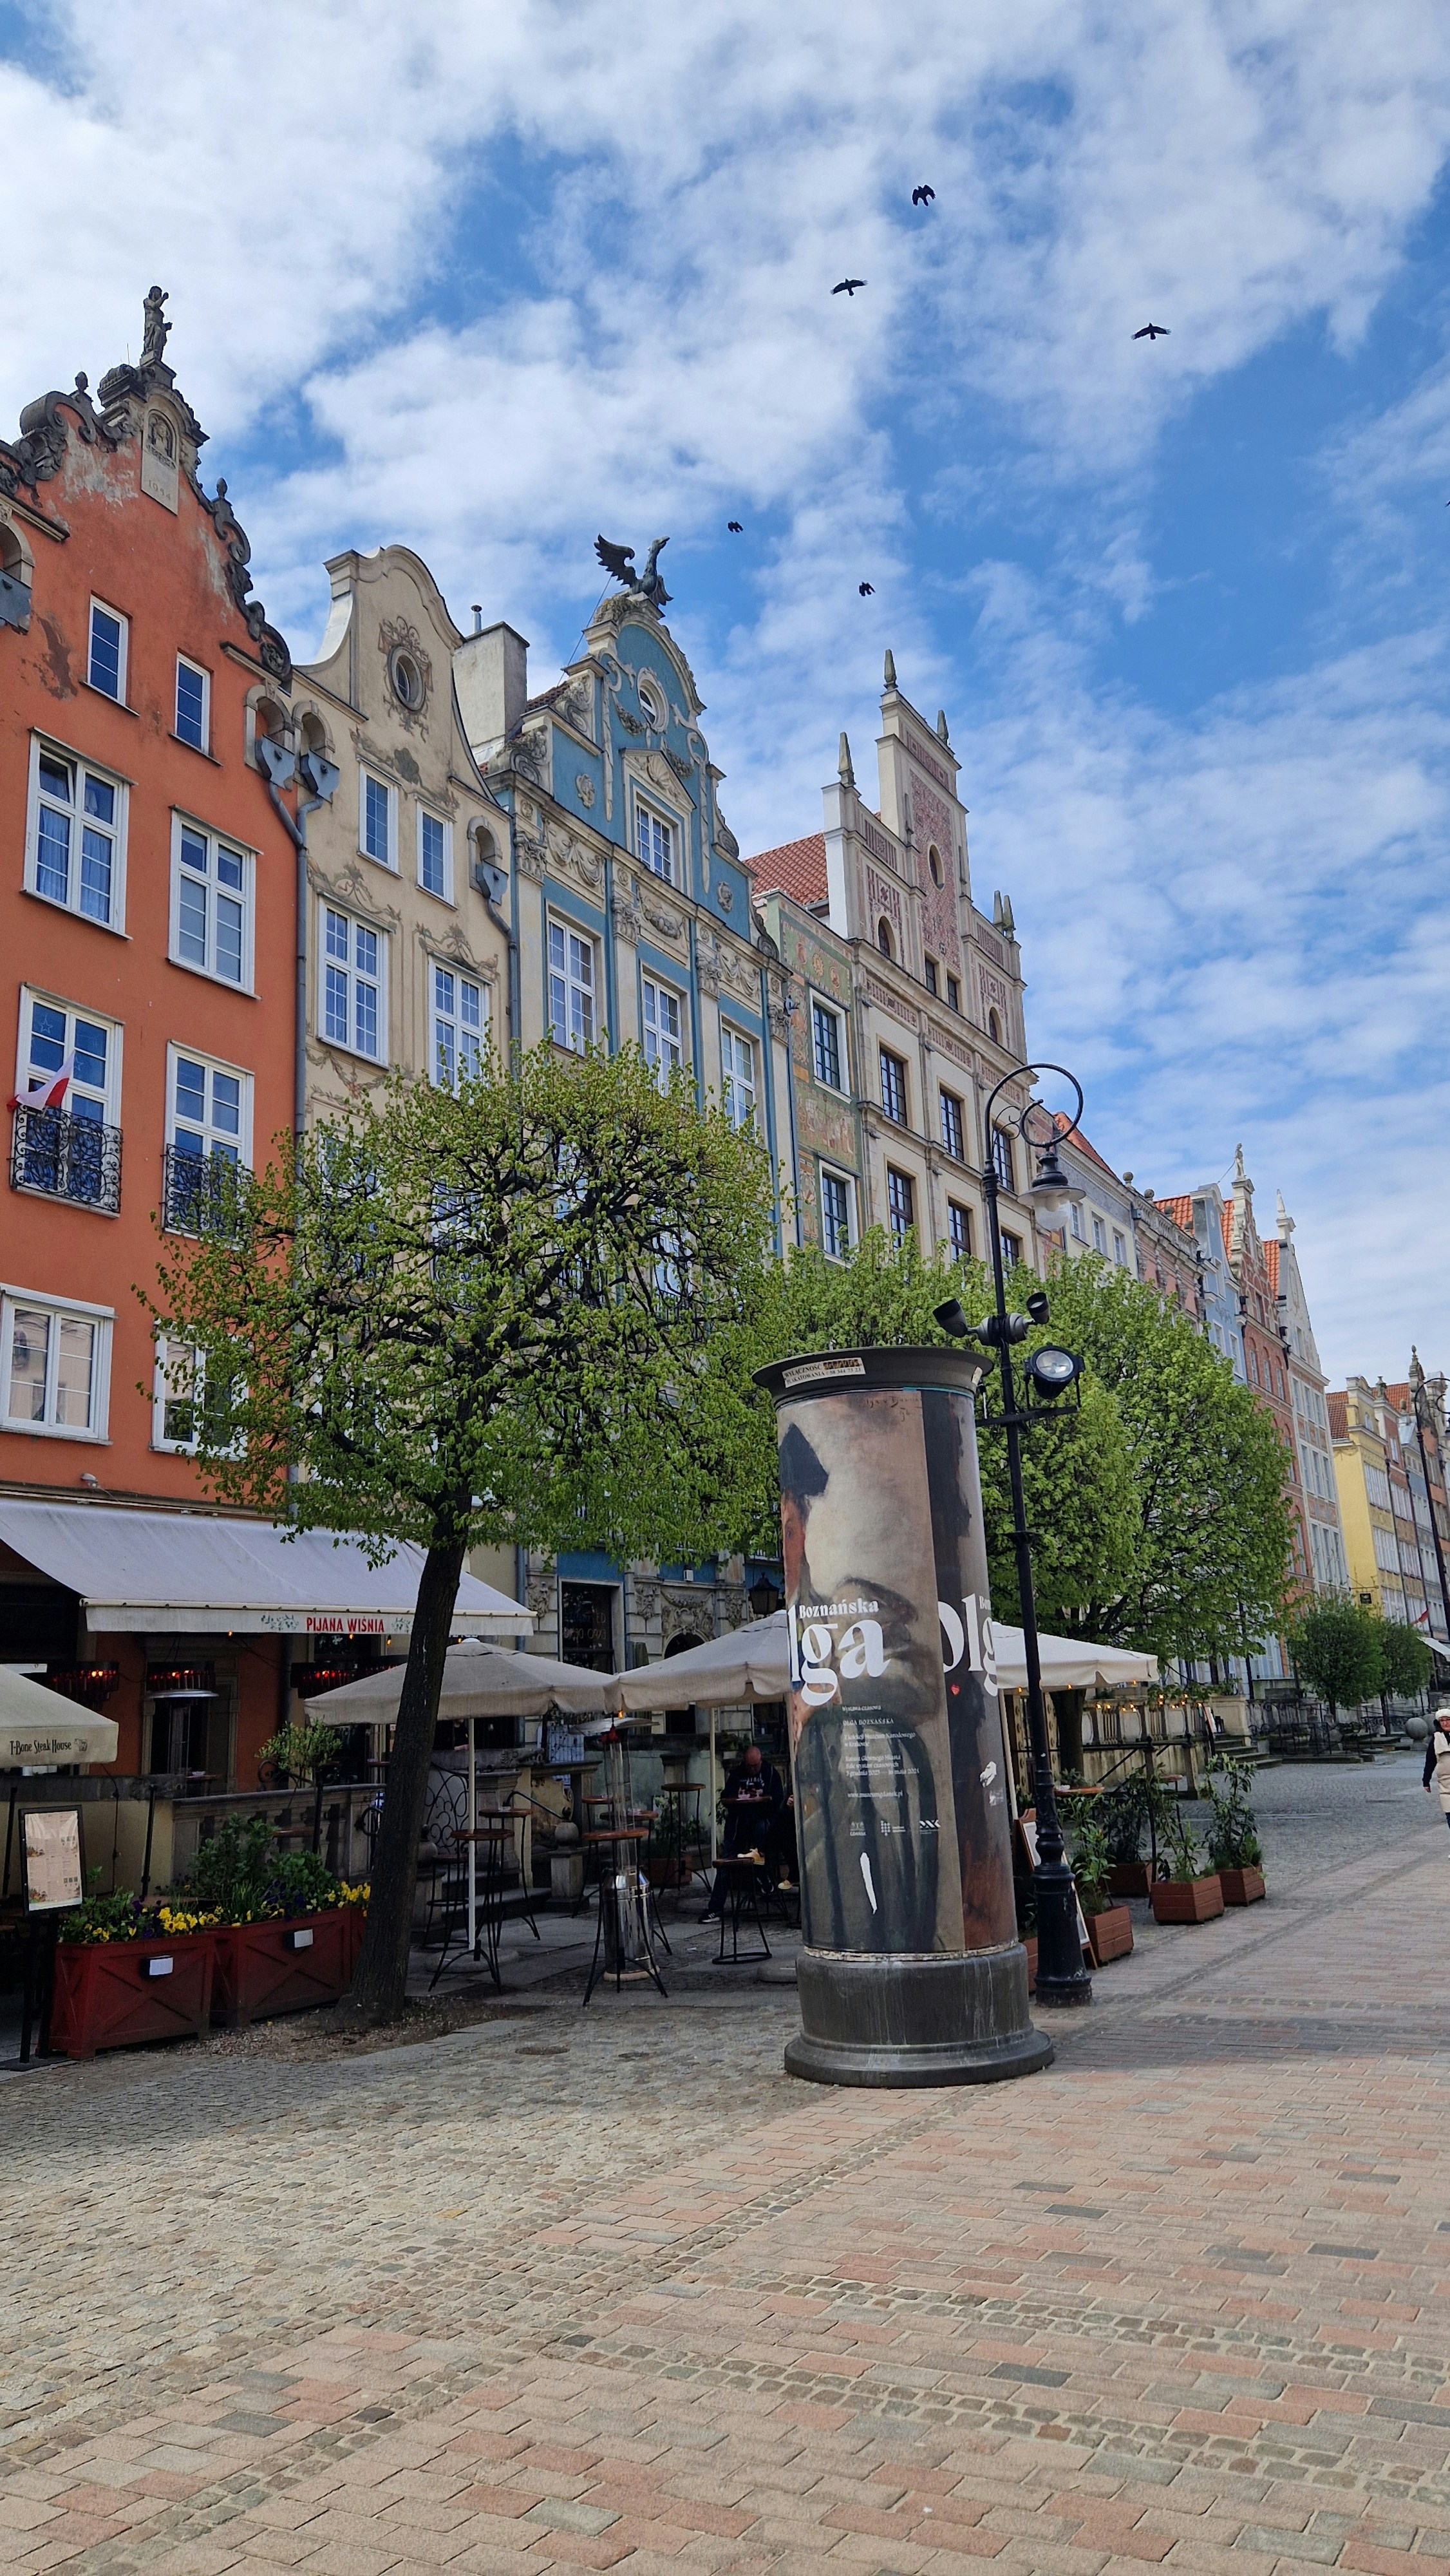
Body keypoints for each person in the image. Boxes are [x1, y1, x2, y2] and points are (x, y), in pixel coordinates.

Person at [705, 1742, 785, 1916]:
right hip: (738, 1826)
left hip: (762, 1823)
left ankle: (762, 1874)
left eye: (755, 1766)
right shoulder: (737, 1774)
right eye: (749, 1766)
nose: (752, 1770)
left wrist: (764, 1801)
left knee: (761, 1832)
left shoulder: (770, 1773)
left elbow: (779, 1800)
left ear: (761, 1761)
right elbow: (726, 1798)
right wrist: (738, 1801)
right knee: (726, 1861)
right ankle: (715, 1908)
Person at [1423, 1706, 1450, 1835]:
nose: (1445, 1723)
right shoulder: (1436, 1739)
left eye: (1448, 1720)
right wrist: (1426, 1780)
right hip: (1446, 1782)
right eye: (1442, 1720)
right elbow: (1430, 1760)